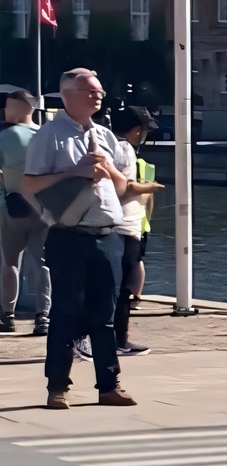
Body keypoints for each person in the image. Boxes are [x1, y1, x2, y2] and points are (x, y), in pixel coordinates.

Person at [17, 67, 138, 406]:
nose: (97, 96)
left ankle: (109, 385)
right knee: (67, 311)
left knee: (106, 314)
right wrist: (76, 171)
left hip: (107, 236)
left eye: (99, 91)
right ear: (68, 94)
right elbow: (29, 185)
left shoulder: (106, 136)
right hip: (68, 235)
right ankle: (58, 386)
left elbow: (121, 187)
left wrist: (108, 168)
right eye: (89, 91)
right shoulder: (49, 135)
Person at [106, 105, 161, 358]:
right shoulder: (126, 149)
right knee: (123, 289)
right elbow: (123, 188)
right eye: (145, 131)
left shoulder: (106, 143)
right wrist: (147, 187)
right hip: (125, 226)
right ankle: (119, 339)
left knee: (106, 287)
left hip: (107, 226)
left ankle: (96, 340)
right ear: (137, 130)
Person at [1, 84, 48, 336]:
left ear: (19, 108)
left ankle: (7, 316)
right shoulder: (45, 137)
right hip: (43, 209)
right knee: (42, 263)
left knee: (9, 262)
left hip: (12, 207)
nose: (4, 110)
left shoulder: (4, 137)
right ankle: (43, 317)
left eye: (7, 105)